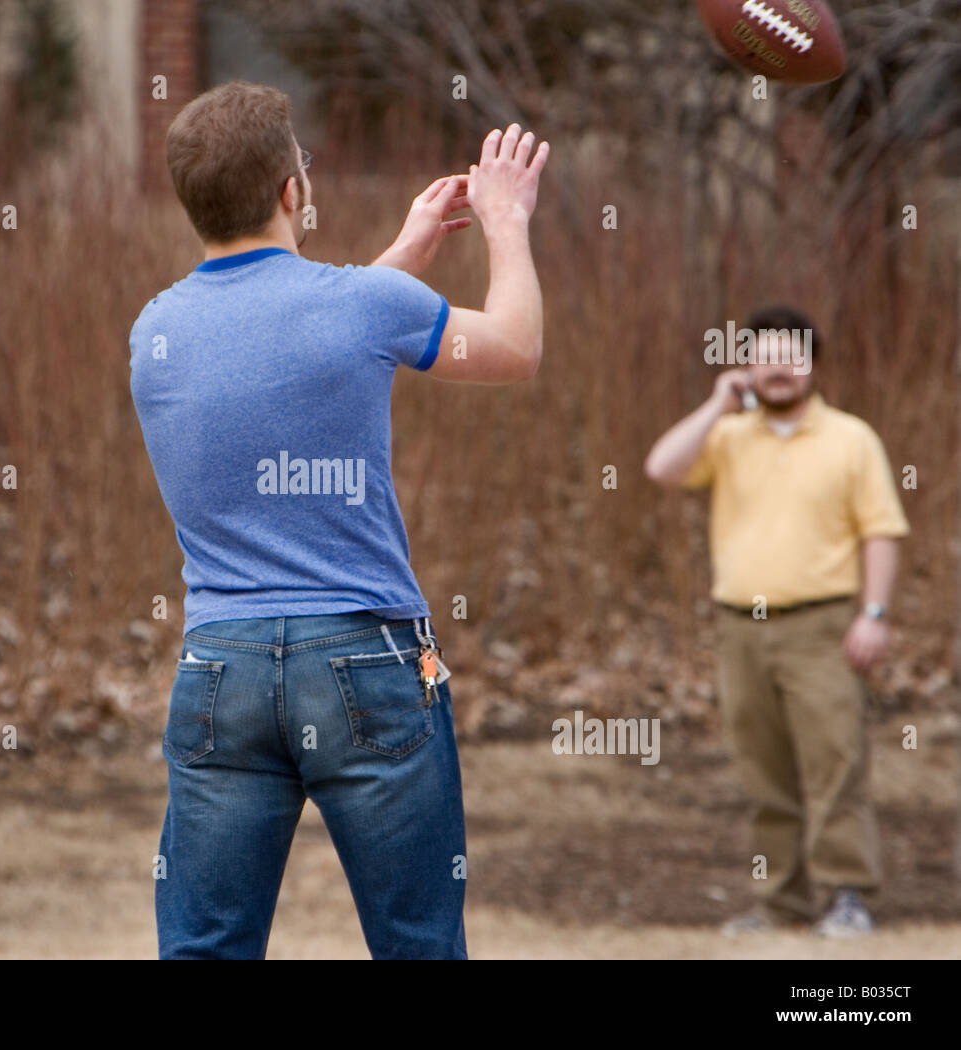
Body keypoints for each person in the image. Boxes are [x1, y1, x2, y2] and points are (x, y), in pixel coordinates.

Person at [130, 81, 549, 959]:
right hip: (365, 657)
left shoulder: (155, 331)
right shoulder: (360, 307)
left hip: (221, 669)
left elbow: (290, 341)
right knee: (417, 943)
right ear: (292, 192)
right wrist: (507, 222)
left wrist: (401, 256)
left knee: (204, 949)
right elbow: (514, 348)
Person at [644, 307, 909, 937]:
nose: (779, 369)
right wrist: (718, 403)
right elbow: (662, 468)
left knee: (835, 762)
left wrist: (874, 614)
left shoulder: (852, 439)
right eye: (764, 357)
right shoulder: (728, 437)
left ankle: (847, 897)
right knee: (762, 770)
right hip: (739, 629)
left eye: (792, 356)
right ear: (746, 367)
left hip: (823, 626)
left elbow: (881, 531)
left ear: (813, 365)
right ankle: (780, 903)